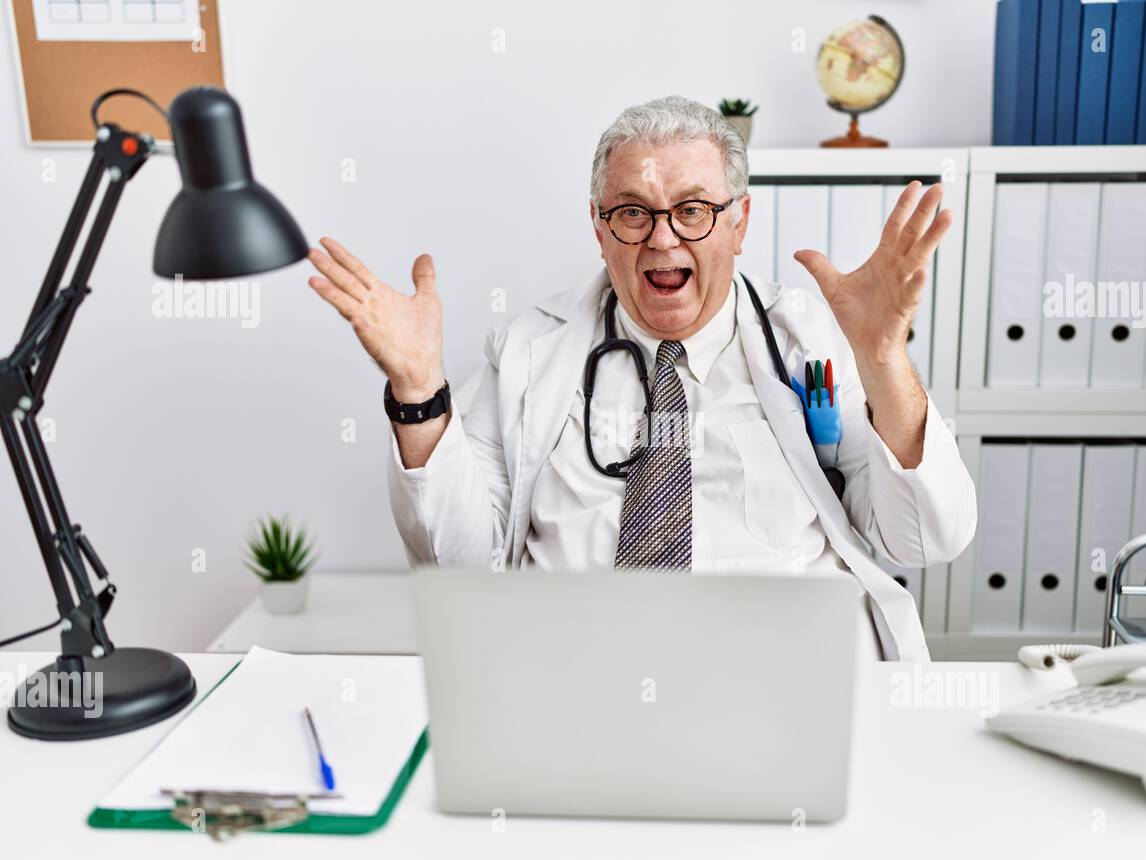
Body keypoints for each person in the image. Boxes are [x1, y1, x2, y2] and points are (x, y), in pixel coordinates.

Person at [307, 96, 976, 661]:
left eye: (693, 209)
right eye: (632, 212)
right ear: (599, 229)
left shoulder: (810, 340)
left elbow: (926, 537)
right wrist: (419, 391)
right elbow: (458, 568)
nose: (662, 239)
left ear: (739, 223)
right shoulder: (529, 352)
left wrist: (884, 359)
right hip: (580, 680)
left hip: (785, 679)